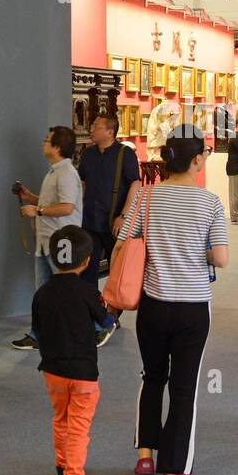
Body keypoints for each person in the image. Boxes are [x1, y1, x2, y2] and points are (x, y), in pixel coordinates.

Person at [116, 125, 228, 475]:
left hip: (153, 304)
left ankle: (145, 455)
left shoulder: (146, 198)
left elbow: (123, 242)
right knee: (184, 386)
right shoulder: (210, 202)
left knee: (152, 378)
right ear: (197, 159)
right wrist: (200, 249)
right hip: (193, 308)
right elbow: (221, 259)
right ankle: (174, 467)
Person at [32, 225, 114, 475]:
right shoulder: (88, 291)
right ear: (87, 260)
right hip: (83, 373)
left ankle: (62, 466)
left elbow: (37, 333)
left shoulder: (42, 293)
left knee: (61, 419)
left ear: (54, 258)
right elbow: (105, 322)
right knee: (79, 426)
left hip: (52, 371)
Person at [10, 126, 82, 350]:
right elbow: (53, 201)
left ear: (57, 147)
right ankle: (38, 334)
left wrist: (37, 211)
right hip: (47, 241)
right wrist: (29, 197)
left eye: (47, 140)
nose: (43, 143)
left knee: (65, 291)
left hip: (60, 241)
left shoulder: (66, 173)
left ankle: (94, 327)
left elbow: (67, 207)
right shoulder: (55, 171)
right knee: (43, 293)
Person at [78, 112, 140, 342]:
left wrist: (124, 215)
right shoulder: (88, 154)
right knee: (87, 269)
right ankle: (95, 313)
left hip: (114, 222)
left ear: (109, 132)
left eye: (95, 126)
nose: (91, 129)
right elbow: (82, 183)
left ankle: (112, 314)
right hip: (90, 221)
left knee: (118, 271)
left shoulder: (125, 154)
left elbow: (135, 184)